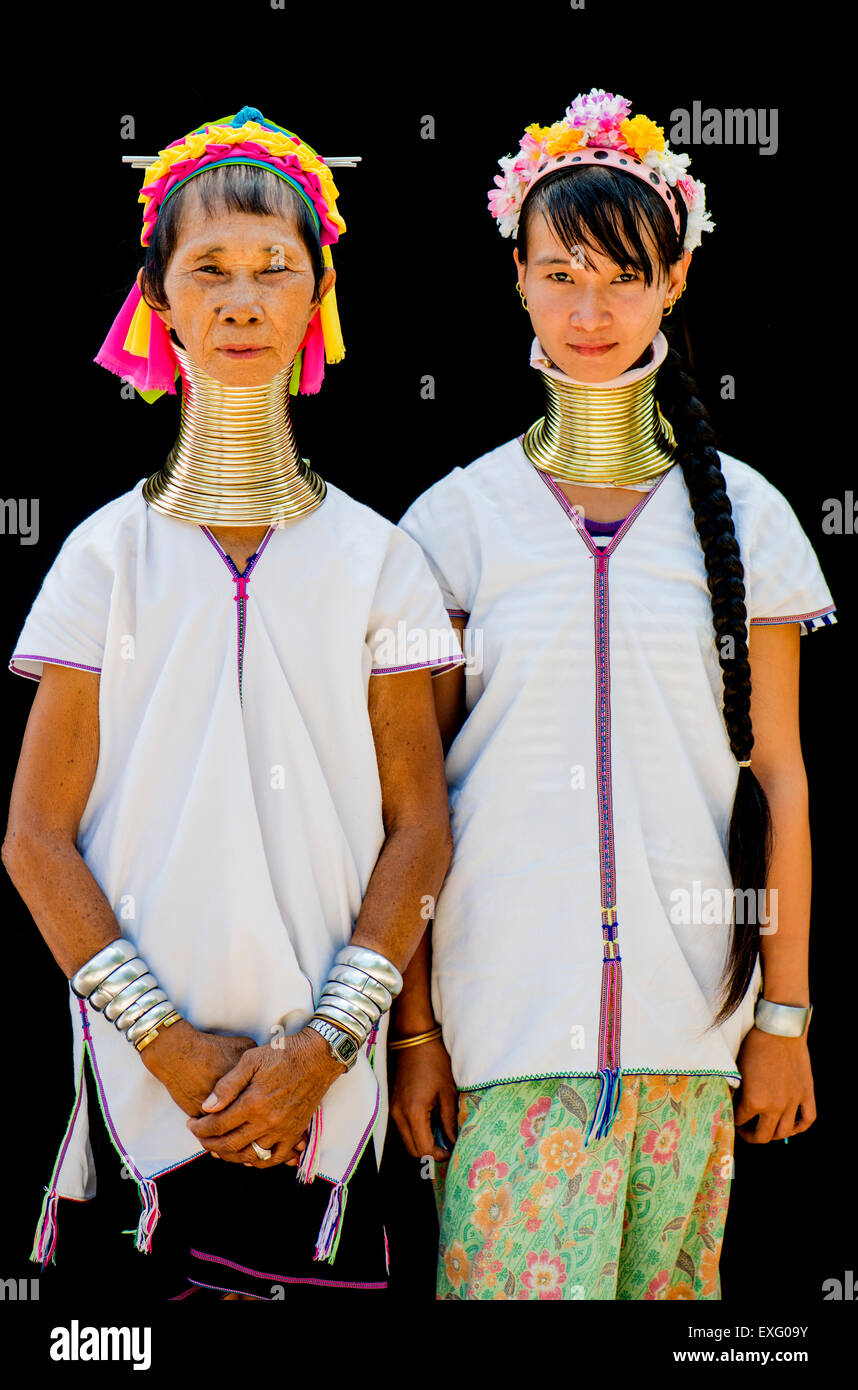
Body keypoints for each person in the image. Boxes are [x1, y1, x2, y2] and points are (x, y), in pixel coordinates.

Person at [3, 105, 463, 1302]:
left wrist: (324, 1047)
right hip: (140, 1100)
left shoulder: (381, 560)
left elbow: (421, 827)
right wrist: (166, 1041)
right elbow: (32, 838)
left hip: (332, 1102)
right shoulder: (106, 559)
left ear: (319, 301)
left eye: (276, 271)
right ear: (158, 300)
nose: (244, 299)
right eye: (209, 270)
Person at [390, 88, 837, 1301]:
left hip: (692, 1043)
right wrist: (414, 1033)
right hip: (504, 1038)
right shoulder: (454, 526)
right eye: (559, 274)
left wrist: (783, 1018)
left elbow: (779, 774)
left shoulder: (750, 518)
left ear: (677, 280)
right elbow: (410, 805)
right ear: (518, 280)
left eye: (624, 277)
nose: (591, 311)